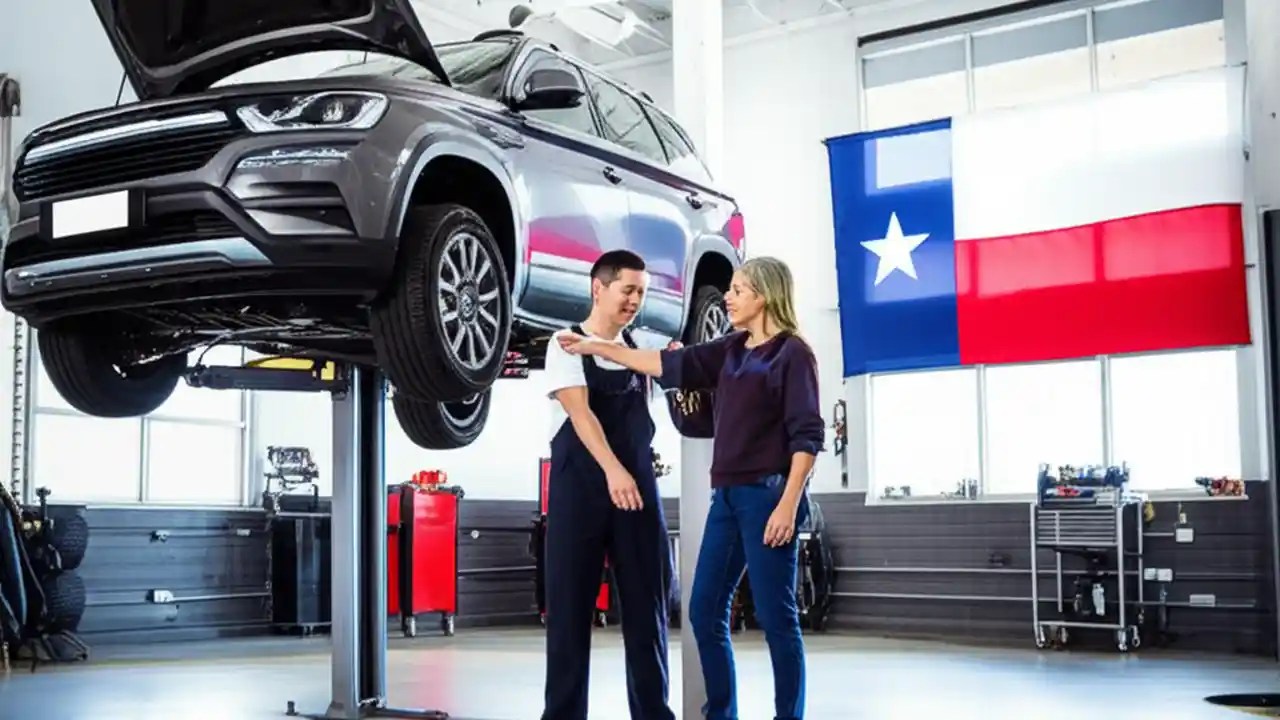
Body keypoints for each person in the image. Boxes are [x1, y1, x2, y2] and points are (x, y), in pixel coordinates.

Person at [556, 256, 824, 720]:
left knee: (776, 618)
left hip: (769, 497)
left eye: (738, 290)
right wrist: (597, 347)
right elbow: (664, 363)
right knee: (704, 612)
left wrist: (789, 503)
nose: (728, 298)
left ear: (763, 296)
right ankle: (720, 713)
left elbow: (807, 436)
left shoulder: (792, 354)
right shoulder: (731, 349)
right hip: (727, 498)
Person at [541, 249, 677, 720]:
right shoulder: (564, 343)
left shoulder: (641, 348)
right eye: (628, 290)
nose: (635, 300)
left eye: (642, 292)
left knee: (647, 609)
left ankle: (654, 713)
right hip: (580, 490)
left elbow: (681, 375)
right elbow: (580, 415)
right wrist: (613, 470)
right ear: (598, 288)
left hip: (637, 494)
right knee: (569, 611)